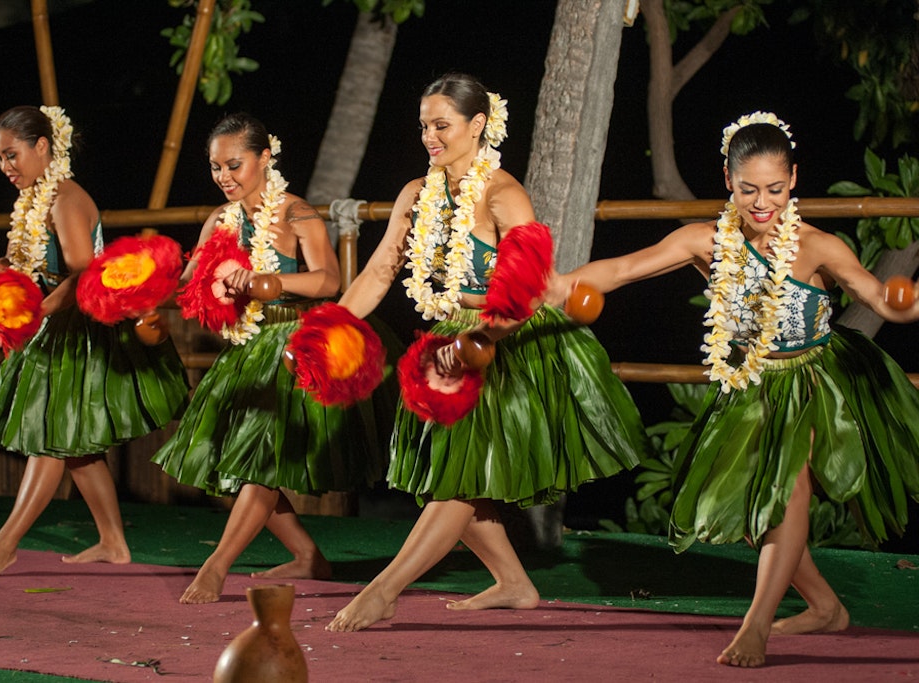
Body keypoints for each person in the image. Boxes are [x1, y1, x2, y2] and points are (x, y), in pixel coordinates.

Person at [552, 111, 919, 667]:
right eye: (748, 189)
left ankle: (756, 626)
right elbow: (625, 268)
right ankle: (824, 607)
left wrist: (902, 302)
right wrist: (558, 284)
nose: (762, 202)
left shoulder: (817, 246)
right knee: (752, 514)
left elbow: (874, 294)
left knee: (787, 495)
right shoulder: (707, 241)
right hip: (752, 385)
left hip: (816, 382)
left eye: (774, 188)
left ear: (793, 178)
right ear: (729, 182)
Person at [325, 72, 648, 632]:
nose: (429, 136)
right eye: (424, 124)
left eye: (442, 125)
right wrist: (325, 328)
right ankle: (515, 583)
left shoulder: (504, 194)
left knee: (457, 478)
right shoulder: (416, 194)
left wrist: (479, 342)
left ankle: (384, 590)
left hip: (507, 343)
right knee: (452, 474)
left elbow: (525, 294)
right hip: (450, 341)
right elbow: (379, 272)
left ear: (477, 125)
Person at [151, 113, 394, 604]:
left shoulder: (295, 213)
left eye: (234, 164)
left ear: (265, 157)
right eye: (216, 167)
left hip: (292, 343)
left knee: (260, 459)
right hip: (246, 348)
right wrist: (151, 285)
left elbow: (328, 280)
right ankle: (308, 556)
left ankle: (216, 566)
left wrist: (274, 282)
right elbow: (190, 279)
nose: (224, 176)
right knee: (244, 459)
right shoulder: (219, 219)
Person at [0, 105, 189, 579]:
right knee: (75, 445)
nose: (6, 167)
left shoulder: (64, 199)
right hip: (58, 324)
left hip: (81, 327)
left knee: (52, 439)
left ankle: (5, 545)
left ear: (42, 147)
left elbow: (83, 273)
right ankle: (113, 542)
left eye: (12, 155)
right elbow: (26, 261)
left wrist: (40, 311)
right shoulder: (37, 199)